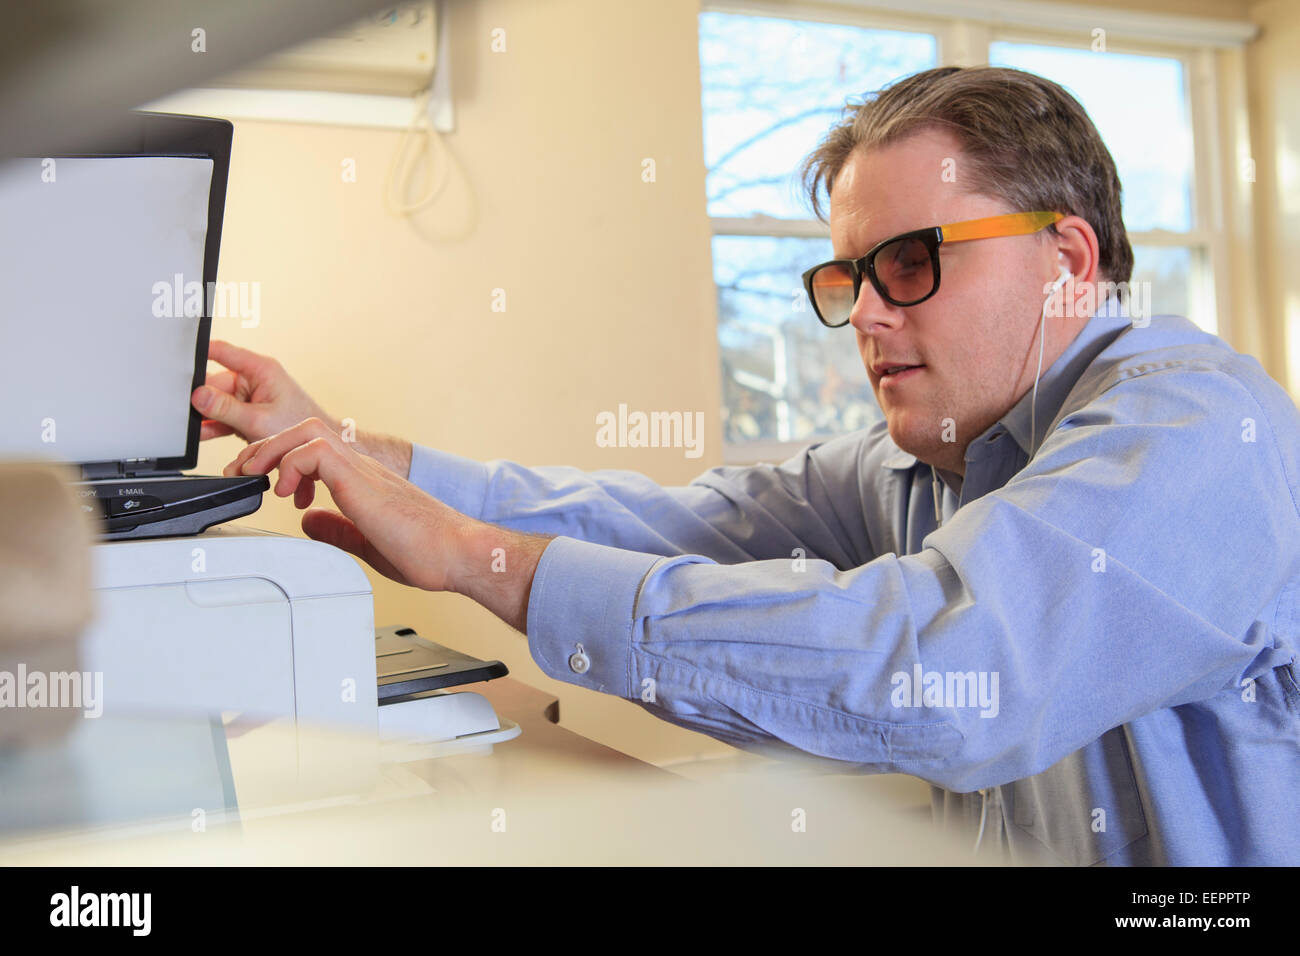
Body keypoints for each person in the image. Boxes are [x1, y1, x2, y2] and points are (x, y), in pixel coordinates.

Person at [192, 66, 1300, 865]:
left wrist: (483, 561)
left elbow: (948, 663)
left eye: (911, 262)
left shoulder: (1192, 431)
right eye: (849, 275)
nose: (863, 312)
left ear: (1066, 261)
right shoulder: (933, 460)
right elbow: (672, 525)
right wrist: (356, 450)